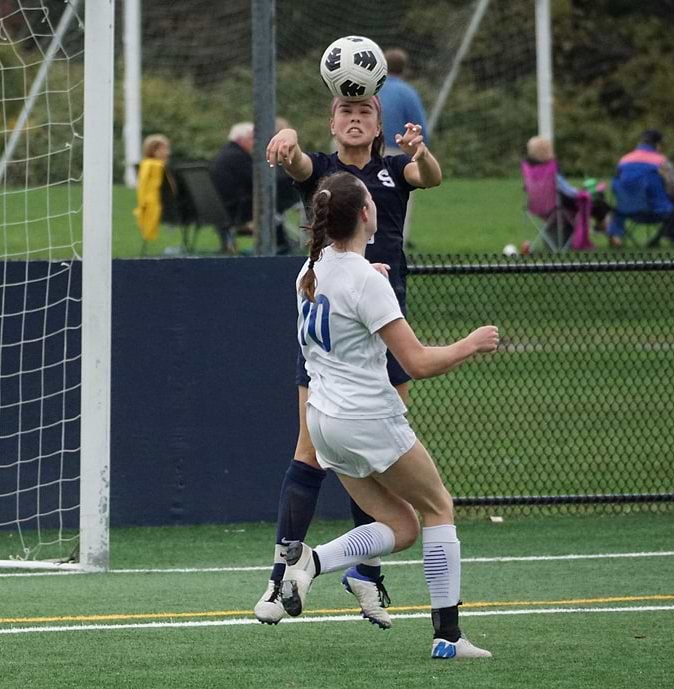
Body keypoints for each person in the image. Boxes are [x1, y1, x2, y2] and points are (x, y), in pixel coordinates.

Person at [281, 170, 498, 659]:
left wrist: (369, 277)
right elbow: (417, 363)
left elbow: (345, 304)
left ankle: (312, 561)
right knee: (439, 505)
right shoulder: (362, 279)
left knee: (401, 526)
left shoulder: (310, 270)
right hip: (366, 419)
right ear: (364, 214)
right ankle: (448, 637)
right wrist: (469, 344)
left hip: (323, 421)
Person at [253, 95, 441, 628]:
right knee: (309, 454)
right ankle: (280, 575)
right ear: (332, 124)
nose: (355, 119)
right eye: (345, 112)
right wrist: (285, 137)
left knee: (377, 458)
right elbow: (296, 163)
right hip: (334, 340)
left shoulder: (393, 170)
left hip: (386, 327)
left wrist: (420, 151)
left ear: (378, 125)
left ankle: (365, 572)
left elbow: (430, 176)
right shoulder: (324, 171)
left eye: (365, 113)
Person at [210, 122, 291, 255]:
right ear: (242, 139)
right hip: (238, 210)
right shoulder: (237, 157)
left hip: (224, 209)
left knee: (271, 199)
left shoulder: (225, 154)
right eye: (253, 138)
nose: (255, 143)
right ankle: (281, 245)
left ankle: (280, 244)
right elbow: (259, 181)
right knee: (272, 199)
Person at [378, 48, 429, 249]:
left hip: (368, 150)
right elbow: (418, 125)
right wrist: (424, 152)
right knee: (400, 200)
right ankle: (398, 243)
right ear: (404, 68)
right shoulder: (408, 92)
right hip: (398, 154)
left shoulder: (373, 88)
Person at [608, 129, 674, 248]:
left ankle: (615, 235)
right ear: (658, 145)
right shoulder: (661, 162)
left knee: (619, 207)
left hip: (628, 211)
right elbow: (672, 189)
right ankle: (665, 235)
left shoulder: (624, 160)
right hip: (656, 212)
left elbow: (616, 187)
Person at [132, 134, 171, 255]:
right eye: (165, 149)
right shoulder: (157, 167)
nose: (168, 153)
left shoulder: (144, 165)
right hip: (166, 208)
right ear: (154, 150)